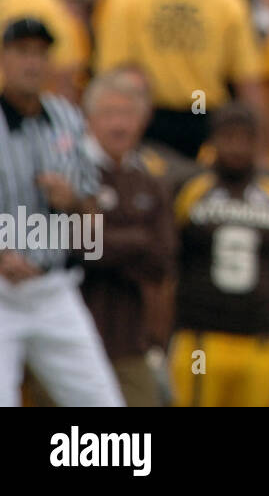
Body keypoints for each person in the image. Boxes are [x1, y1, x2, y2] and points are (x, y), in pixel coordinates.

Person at [0, 17, 123, 407]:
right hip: (1, 293)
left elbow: (91, 213)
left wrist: (72, 201)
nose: (32, 64)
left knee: (102, 402)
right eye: (22, 52)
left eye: (40, 54)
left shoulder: (67, 117)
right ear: (4, 57)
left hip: (54, 288)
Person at [169, 102, 269, 407]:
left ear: (258, 142)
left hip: (260, 344)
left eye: (245, 138)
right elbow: (165, 268)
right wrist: (157, 342)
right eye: (228, 137)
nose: (237, 147)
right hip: (199, 340)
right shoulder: (188, 189)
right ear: (212, 141)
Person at [95, 0, 265, 159]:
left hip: (149, 123)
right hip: (206, 123)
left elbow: (111, 74)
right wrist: (260, 150)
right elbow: (248, 82)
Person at [79, 68, 174, 406]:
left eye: (127, 114)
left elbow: (162, 259)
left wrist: (106, 242)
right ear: (88, 119)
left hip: (131, 343)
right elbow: (74, 248)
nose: (118, 125)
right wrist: (136, 241)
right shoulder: (70, 174)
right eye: (108, 114)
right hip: (73, 340)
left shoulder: (151, 182)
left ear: (143, 121)